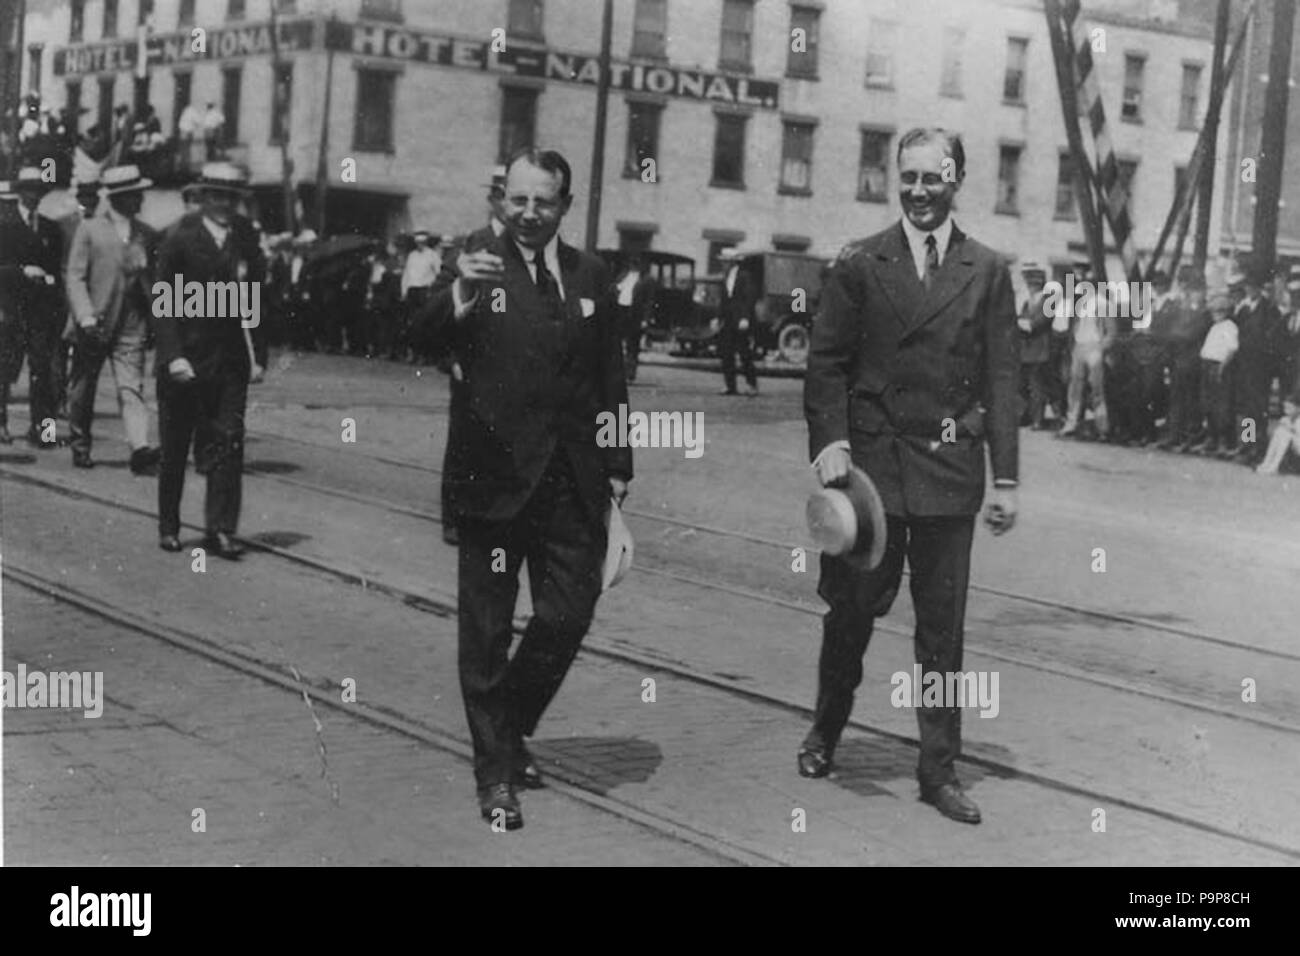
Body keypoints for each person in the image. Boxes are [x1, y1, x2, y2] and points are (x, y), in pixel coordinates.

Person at [798, 127, 1019, 825]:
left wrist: (1006, 479)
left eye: (933, 177)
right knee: (853, 612)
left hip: (949, 475)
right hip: (874, 476)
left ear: (957, 180)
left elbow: (1003, 379)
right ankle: (826, 728)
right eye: (909, 177)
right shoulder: (863, 261)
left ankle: (938, 771)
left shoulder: (986, 270)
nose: (919, 191)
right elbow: (826, 364)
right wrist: (831, 443)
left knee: (942, 633)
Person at [417, 148, 632, 830]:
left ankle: (504, 729)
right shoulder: (474, 259)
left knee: (569, 613)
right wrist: (457, 291)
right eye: (518, 200)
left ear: (564, 206)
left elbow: (608, 376)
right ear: (500, 199)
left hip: (572, 479)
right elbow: (413, 334)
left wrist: (619, 463)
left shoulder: (589, 273)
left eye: (544, 202)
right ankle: (496, 776)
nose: (529, 213)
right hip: (494, 476)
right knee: (486, 631)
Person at [153, 162, 267, 558]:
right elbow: (163, 303)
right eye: (216, 196)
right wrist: (172, 356)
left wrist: (259, 356)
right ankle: (169, 524)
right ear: (203, 197)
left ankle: (220, 529)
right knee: (175, 447)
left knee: (228, 443)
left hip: (230, 361)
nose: (224, 204)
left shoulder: (247, 238)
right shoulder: (179, 237)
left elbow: (256, 297)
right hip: (185, 361)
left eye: (231, 197)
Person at [63, 164, 162, 473]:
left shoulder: (146, 234)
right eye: (135, 195)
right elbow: (76, 277)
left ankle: (140, 448)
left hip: (132, 321)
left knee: (131, 387)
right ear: (119, 198)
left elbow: (154, 280)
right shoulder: (90, 228)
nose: (141, 200)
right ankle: (79, 443)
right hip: (94, 322)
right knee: (82, 389)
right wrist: (85, 315)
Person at [0, 167, 66, 447]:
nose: (34, 196)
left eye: (39, 191)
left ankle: (44, 430)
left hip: (43, 309)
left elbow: (58, 269)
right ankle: (1, 424)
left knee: (44, 373)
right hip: (11, 306)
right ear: (19, 192)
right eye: (29, 190)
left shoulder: (52, 227)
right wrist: (22, 271)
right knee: (5, 370)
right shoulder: (4, 223)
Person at [1231, 258, 1281, 466]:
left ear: (1260, 289)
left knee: (1257, 408)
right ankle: (1246, 444)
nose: (1251, 290)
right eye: (1248, 287)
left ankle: (1257, 447)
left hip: (1260, 369)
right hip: (1243, 367)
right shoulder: (1242, 311)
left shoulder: (1269, 310)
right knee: (1245, 408)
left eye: (1254, 287)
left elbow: (1272, 340)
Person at [1155, 269, 1210, 452]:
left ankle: (1191, 437)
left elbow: (1191, 334)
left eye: (1195, 290)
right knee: (1177, 399)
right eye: (1189, 289)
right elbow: (1170, 329)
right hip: (1179, 360)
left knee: (1192, 401)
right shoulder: (1180, 309)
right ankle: (1175, 436)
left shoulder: (1204, 312)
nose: (1191, 293)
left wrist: (1174, 336)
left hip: (1194, 361)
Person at [1059, 269, 1115, 440]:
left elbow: (1111, 332)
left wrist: (1101, 348)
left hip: (1094, 347)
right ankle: (1071, 423)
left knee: (1097, 388)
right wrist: (1074, 346)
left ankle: (1102, 427)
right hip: (1080, 347)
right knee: (1074, 387)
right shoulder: (1080, 304)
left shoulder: (1104, 303)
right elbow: (1075, 327)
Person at [1193, 290, 1238, 458]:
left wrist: (1222, 368)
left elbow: (1232, 349)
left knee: (1222, 406)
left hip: (1218, 366)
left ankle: (1225, 442)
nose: (1215, 314)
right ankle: (1211, 438)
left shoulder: (1229, 327)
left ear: (1226, 312)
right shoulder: (1214, 327)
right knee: (1208, 404)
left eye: (1219, 311)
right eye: (1213, 311)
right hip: (1207, 364)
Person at [1016, 261, 1054, 429]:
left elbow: (1039, 323)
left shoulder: (1049, 302)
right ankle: (1025, 416)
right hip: (1025, 350)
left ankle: (1038, 420)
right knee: (1022, 385)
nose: (1031, 286)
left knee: (1037, 386)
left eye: (1033, 283)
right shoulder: (1027, 303)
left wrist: (1021, 323)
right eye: (1029, 282)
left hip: (1040, 350)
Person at [717, 248, 759, 396]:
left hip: (741, 321)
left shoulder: (744, 276)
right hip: (728, 321)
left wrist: (745, 318)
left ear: (732, 262)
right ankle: (730, 385)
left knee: (744, 353)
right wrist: (718, 317)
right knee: (726, 353)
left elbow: (749, 298)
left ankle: (752, 384)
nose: (722, 264)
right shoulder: (725, 277)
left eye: (725, 262)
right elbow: (724, 300)